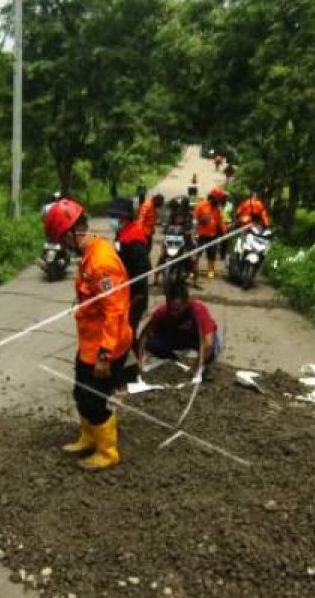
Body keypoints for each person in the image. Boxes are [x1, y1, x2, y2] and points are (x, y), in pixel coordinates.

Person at [43, 198, 132, 471]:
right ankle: (88, 438)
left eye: (62, 238)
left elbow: (115, 311)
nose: (63, 245)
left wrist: (105, 356)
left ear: (73, 233)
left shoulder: (102, 262)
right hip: (90, 343)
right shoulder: (89, 255)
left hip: (107, 346)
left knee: (94, 400)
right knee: (80, 393)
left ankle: (107, 452)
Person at [135, 281, 221, 382]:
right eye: (170, 308)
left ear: (186, 303)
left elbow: (208, 343)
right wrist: (140, 358)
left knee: (212, 348)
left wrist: (196, 366)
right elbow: (144, 335)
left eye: (176, 309)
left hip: (197, 337)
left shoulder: (198, 311)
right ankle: (172, 359)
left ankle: (205, 366)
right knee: (152, 343)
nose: (173, 313)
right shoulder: (162, 312)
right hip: (177, 335)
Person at [108, 198, 150, 352]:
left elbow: (144, 269)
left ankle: (138, 358)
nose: (112, 220)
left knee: (129, 331)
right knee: (122, 329)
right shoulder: (121, 234)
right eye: (111, 216)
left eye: (115, 217)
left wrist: (134, 297)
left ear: (125, 217)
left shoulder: (134, 238)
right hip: (123, 293)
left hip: (134, 295)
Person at [192, 187, 226, 282]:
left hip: (212, 235)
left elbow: (220, 221)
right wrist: (195, 229)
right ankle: (193, 270)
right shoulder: (201, 205)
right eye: (218, 199)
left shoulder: (218, 209)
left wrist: (224, 230)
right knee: (196, 253)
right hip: (200, 234)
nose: (219, 201)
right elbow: (195, 218)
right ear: (213, 198)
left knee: (212, 253)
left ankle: (210, 270)